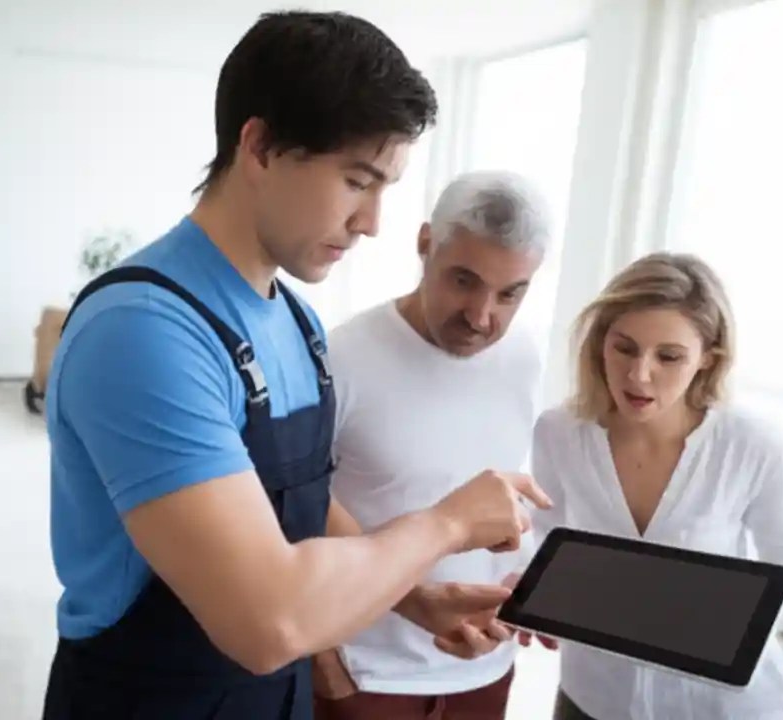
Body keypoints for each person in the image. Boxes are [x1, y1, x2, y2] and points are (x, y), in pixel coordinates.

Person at [39, 11, 552, 720]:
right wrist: (446, 525)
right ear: (261, 146)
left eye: (385, 190)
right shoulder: (143, 332)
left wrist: (415, 597)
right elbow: (267, 621)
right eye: (356, 180)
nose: (372, 221)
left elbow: (295, 511)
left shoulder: (296, 321)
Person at [531, 252, 783, 720]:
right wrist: (544, 596)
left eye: (669, 357)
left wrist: (713, 626)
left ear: (706, 360)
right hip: (591, 699)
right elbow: (546, 539)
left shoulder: (753, 446)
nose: (639, 374)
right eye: (624, 347)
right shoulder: (558, 432)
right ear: (599, 343)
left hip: (722, 708)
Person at [309, 170, 558, 720]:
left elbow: (501, 492)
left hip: (485, 671)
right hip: (366, 672)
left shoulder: (524, 357)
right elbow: (296, 505)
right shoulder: (341, 359)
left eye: (510, 293)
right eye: (464, 280)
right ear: (426, 245)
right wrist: (328, 667)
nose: (482, 316)